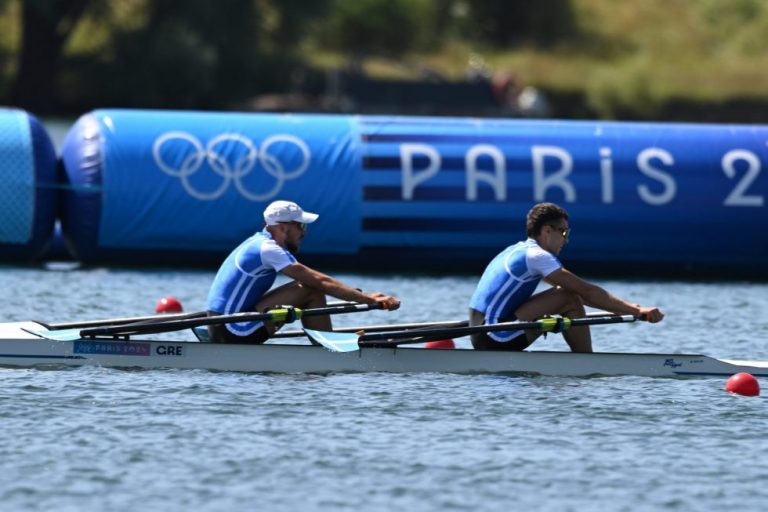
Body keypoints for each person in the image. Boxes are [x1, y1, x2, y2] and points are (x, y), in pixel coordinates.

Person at [469, 202, 663, 353]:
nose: (566, 239)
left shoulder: (515, 250)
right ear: (546, 231)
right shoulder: (538, 256)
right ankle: (585, 363)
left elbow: (583, 295)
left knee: (566, 294)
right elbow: (586, 292)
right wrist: (637, 310)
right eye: (564, 232)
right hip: (495, 337)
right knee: (569, 297)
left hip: (480, 333)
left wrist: (626, 310)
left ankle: (581, 359)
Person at [206, 200, 400, 343]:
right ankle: (330, 345)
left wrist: (355, 295)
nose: (304, 232)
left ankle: (328, 341)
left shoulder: (256, 242)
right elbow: (319, 281)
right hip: (233, 329)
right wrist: (369, 299)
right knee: (311, 288)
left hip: (221, 324)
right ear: (282, 228)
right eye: (301, 225)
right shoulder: (268, 249)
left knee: (308, 287)